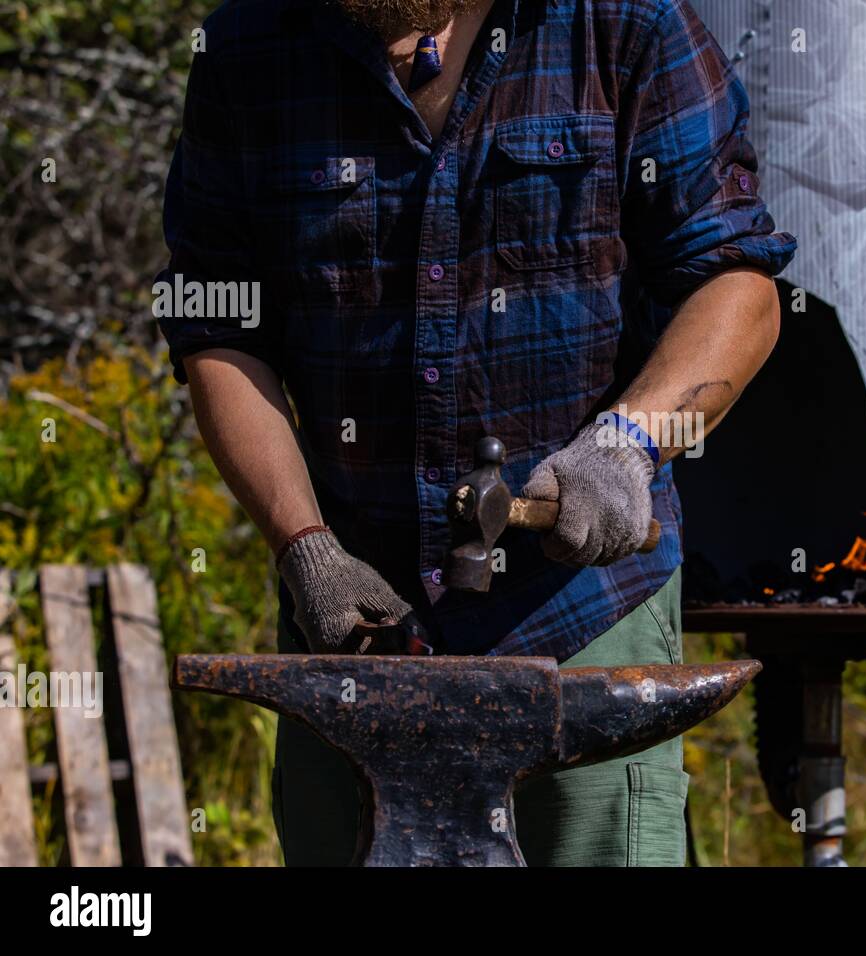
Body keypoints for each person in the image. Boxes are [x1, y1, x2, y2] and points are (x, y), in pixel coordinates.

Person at [156, 0, 795, 866]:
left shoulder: (625, 25)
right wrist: (304, 547)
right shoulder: (250, 45)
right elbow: (216, 326)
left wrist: (625, 447)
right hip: (354, 627)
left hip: (577, 621)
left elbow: (734, 283)